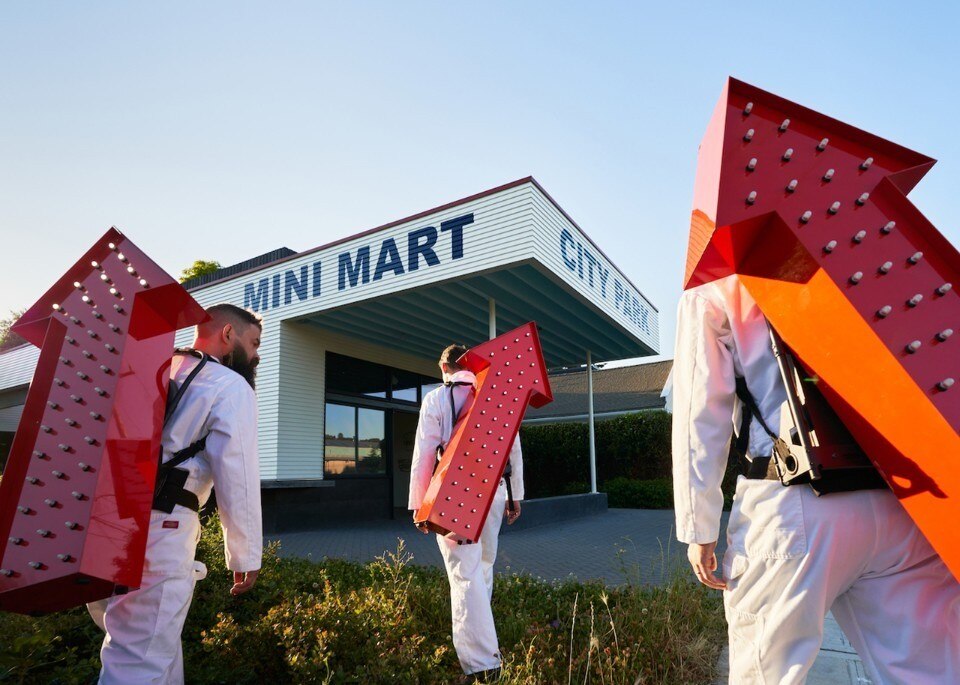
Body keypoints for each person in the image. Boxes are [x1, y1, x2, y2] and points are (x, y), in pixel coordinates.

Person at [671, 273, 960, 684]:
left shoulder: (720, 284)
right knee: (928, 673)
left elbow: (699, 415)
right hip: (903, 501)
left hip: (793, 503)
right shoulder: (872, 256)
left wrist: (698, 528)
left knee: (765, 674)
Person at [87, 303, 264, 685]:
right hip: (161, 527)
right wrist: (245, 554)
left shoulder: (152, 368)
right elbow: (239, 473)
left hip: (102, 528)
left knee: (152, 651)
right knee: (139, 661)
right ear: (228, 335)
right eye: (253, 343)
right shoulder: (229, 384)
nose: (256, 355)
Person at [408, 343, 524, 683]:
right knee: (482, 565)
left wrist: (419, 506)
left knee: (464, 574)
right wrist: (515, 498)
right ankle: (482, 636)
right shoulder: (495, 395)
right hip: (495, 491)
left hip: (454, 495)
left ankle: (481, 664)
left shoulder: (436, 399)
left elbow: (424, 454)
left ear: (444, 366)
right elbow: (513, 449)